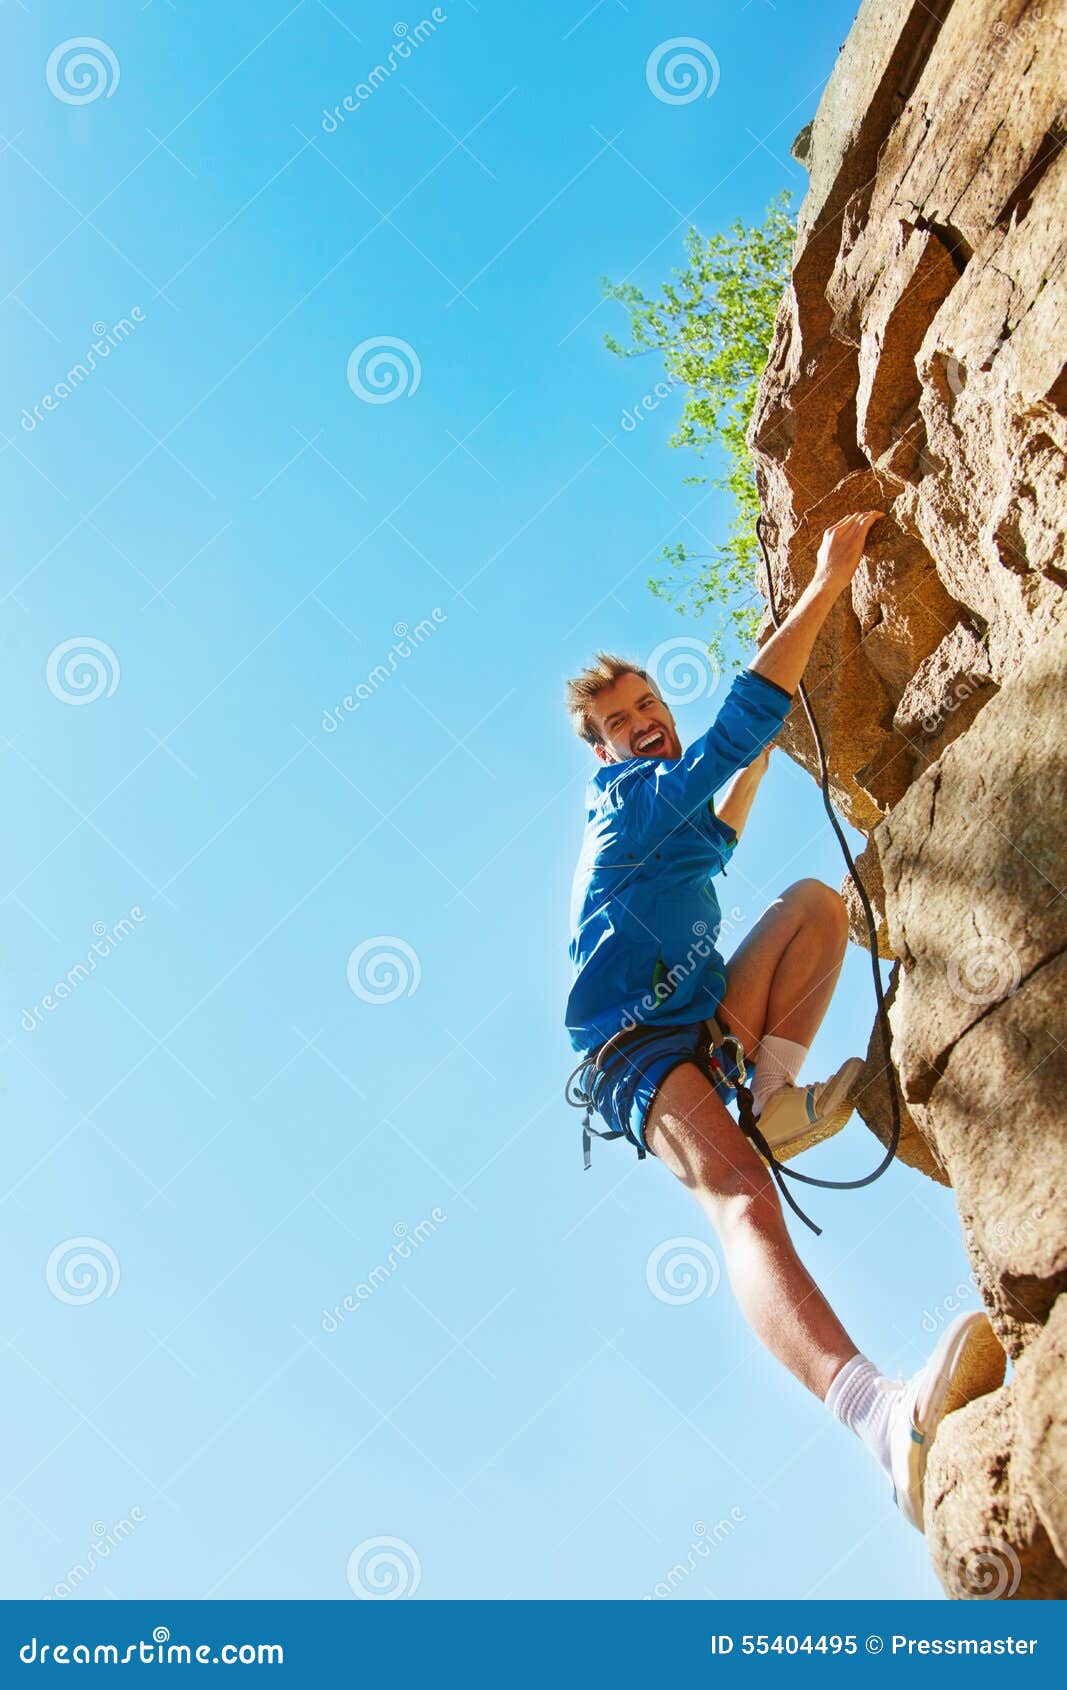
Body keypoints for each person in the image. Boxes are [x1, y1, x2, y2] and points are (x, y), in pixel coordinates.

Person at [563, 512, 1004, 1532]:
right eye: (620, 719)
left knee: (814, 904)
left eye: (648, 701)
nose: (643, 720)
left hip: (699, 1022)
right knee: (739, 1200)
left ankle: (767, 1097)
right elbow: (731, 736)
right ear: (602, 753)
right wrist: (821, 586)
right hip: (632, 1050)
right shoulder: (627, 802)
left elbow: (720, 825)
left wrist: (765, 735)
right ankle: (876, 1423)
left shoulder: (671, 822)